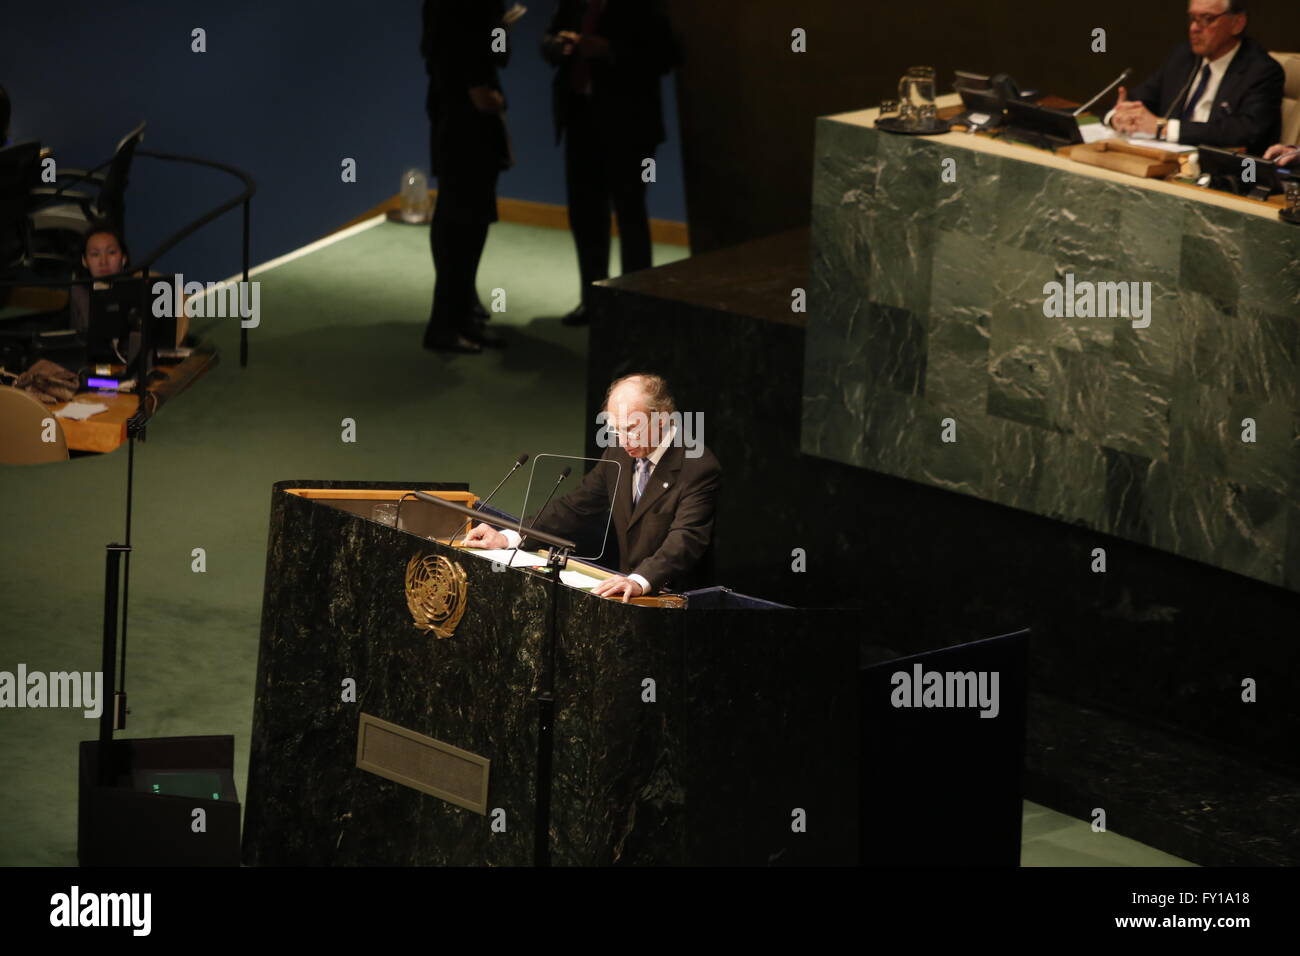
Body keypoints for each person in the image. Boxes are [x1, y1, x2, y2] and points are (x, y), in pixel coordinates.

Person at [464, 373, 720, 600]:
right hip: (622, 594)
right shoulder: (618, 452)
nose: (622, 440)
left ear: (662, 420)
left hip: (672, 599)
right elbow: (575, 506)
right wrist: (511, 536)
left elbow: (685, 539)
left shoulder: (697, 467)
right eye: (615, 429)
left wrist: (640, 580)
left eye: (631, 429)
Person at [540, 1, 679, 326]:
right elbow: (546, 40)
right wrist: (558, 46)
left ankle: (636, 303)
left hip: (630, 126)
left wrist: (610, 51)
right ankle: (593, 301)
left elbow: (668, 56)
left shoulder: (645, 6)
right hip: (579, 120)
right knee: (586, 215)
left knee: (630, 213)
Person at [421, 0, 514, 354]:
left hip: (479, 112)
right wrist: (472, 86)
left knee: (474, 217)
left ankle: (463, 318)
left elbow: (499, 54)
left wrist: (502, 30)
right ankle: (443, 324)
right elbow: (438, 45)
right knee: (457, 217)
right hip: (459, 114)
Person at [1107, 0, 1283, 157]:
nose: (1194, 28)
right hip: (1167, 160)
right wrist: (1119, 115)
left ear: (1237, 23)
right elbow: (1140, 99)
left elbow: (1244, 131)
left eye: (1207, 18)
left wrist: (1165, 129)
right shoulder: (1183, 57)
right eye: (1192, 18)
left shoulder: (1261, 70)